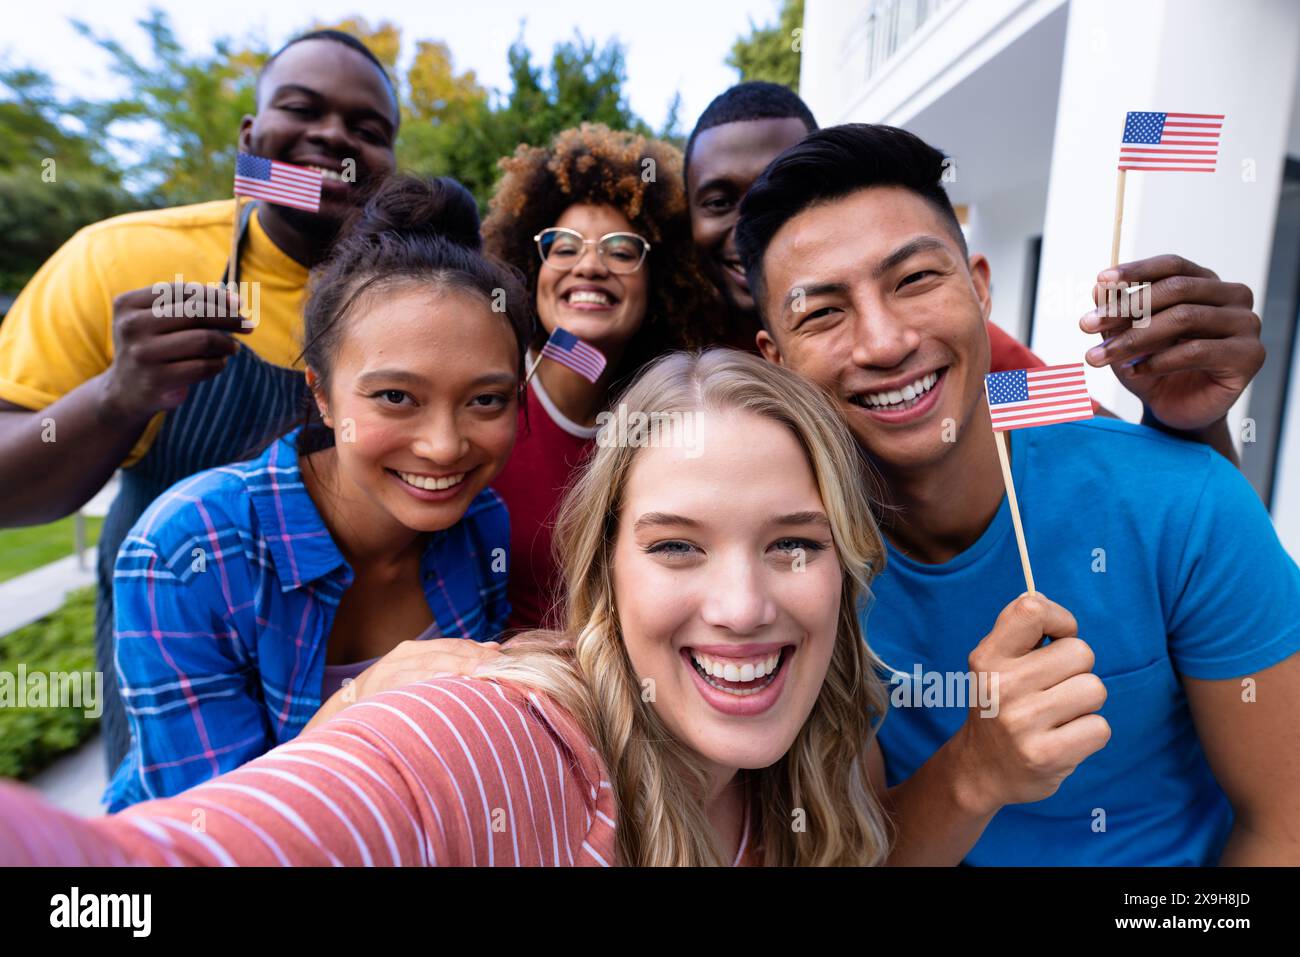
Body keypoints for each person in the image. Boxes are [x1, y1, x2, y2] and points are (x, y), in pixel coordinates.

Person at [0, 350, 1104, 866]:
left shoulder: (826, 748)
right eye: (674, 546)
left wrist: (977, 772)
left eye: (793, 544)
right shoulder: (505, 743)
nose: (740, 605)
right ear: (601, 575)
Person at [735, 122, 1300, 865]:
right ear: (776, 360)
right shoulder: (783, 569)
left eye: (914, 280)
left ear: (979, 287)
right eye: (823, 313)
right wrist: (977, 767)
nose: (883, 342)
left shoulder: (1185, 502)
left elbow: (1284, 826)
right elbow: (846, 854)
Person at [0, 30, 401, 770]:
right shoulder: (117, 259)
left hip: (363, 677)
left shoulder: (414, 299)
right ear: (250, 137)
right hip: (175, 672)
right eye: (301, 108)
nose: (332, 138)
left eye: (367, 130)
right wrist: (117, 395)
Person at [103, 175, 525, 810]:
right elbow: (210, 825)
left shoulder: (482, 527)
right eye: (395, 397)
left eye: (485, 400)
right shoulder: (189, 551)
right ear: (323, 393)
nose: (444, 446)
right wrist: (360, 698)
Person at [685, 82, 1262, 465]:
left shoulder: (964, 346)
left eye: (781, 194)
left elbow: (1091, 443)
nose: (747, 230)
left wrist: (1188, 420)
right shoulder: (657, 343)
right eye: (718, 200)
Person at [481, 123, 714, 631]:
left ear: (658, 283)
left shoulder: (673, 421)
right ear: (529, 268)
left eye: (621, 250)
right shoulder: (484, 393)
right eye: (563, 247)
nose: (589, 264)